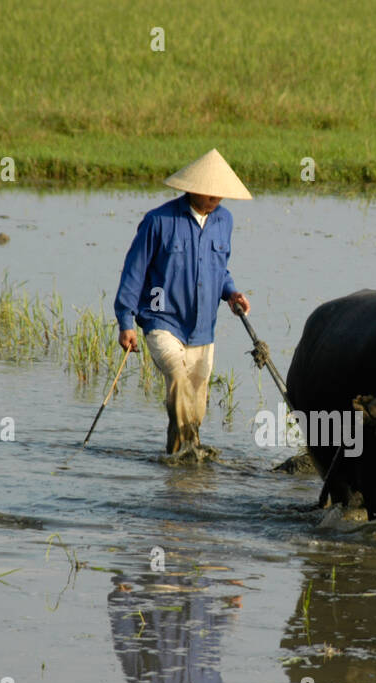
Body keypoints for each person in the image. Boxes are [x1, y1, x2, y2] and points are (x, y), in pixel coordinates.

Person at [113, 149, 253, 454]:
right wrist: (126, 322)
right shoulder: (158, 221)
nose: (216, 198)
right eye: (210, 191)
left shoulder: (224, 222)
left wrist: (231, 293)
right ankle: (191, 450)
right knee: (177, 378)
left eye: (221, 193)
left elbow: (220, 269)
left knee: (196, 403)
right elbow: (134, 273)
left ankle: (179, 461)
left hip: (203, 329)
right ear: (192, 187)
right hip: (162, 320)